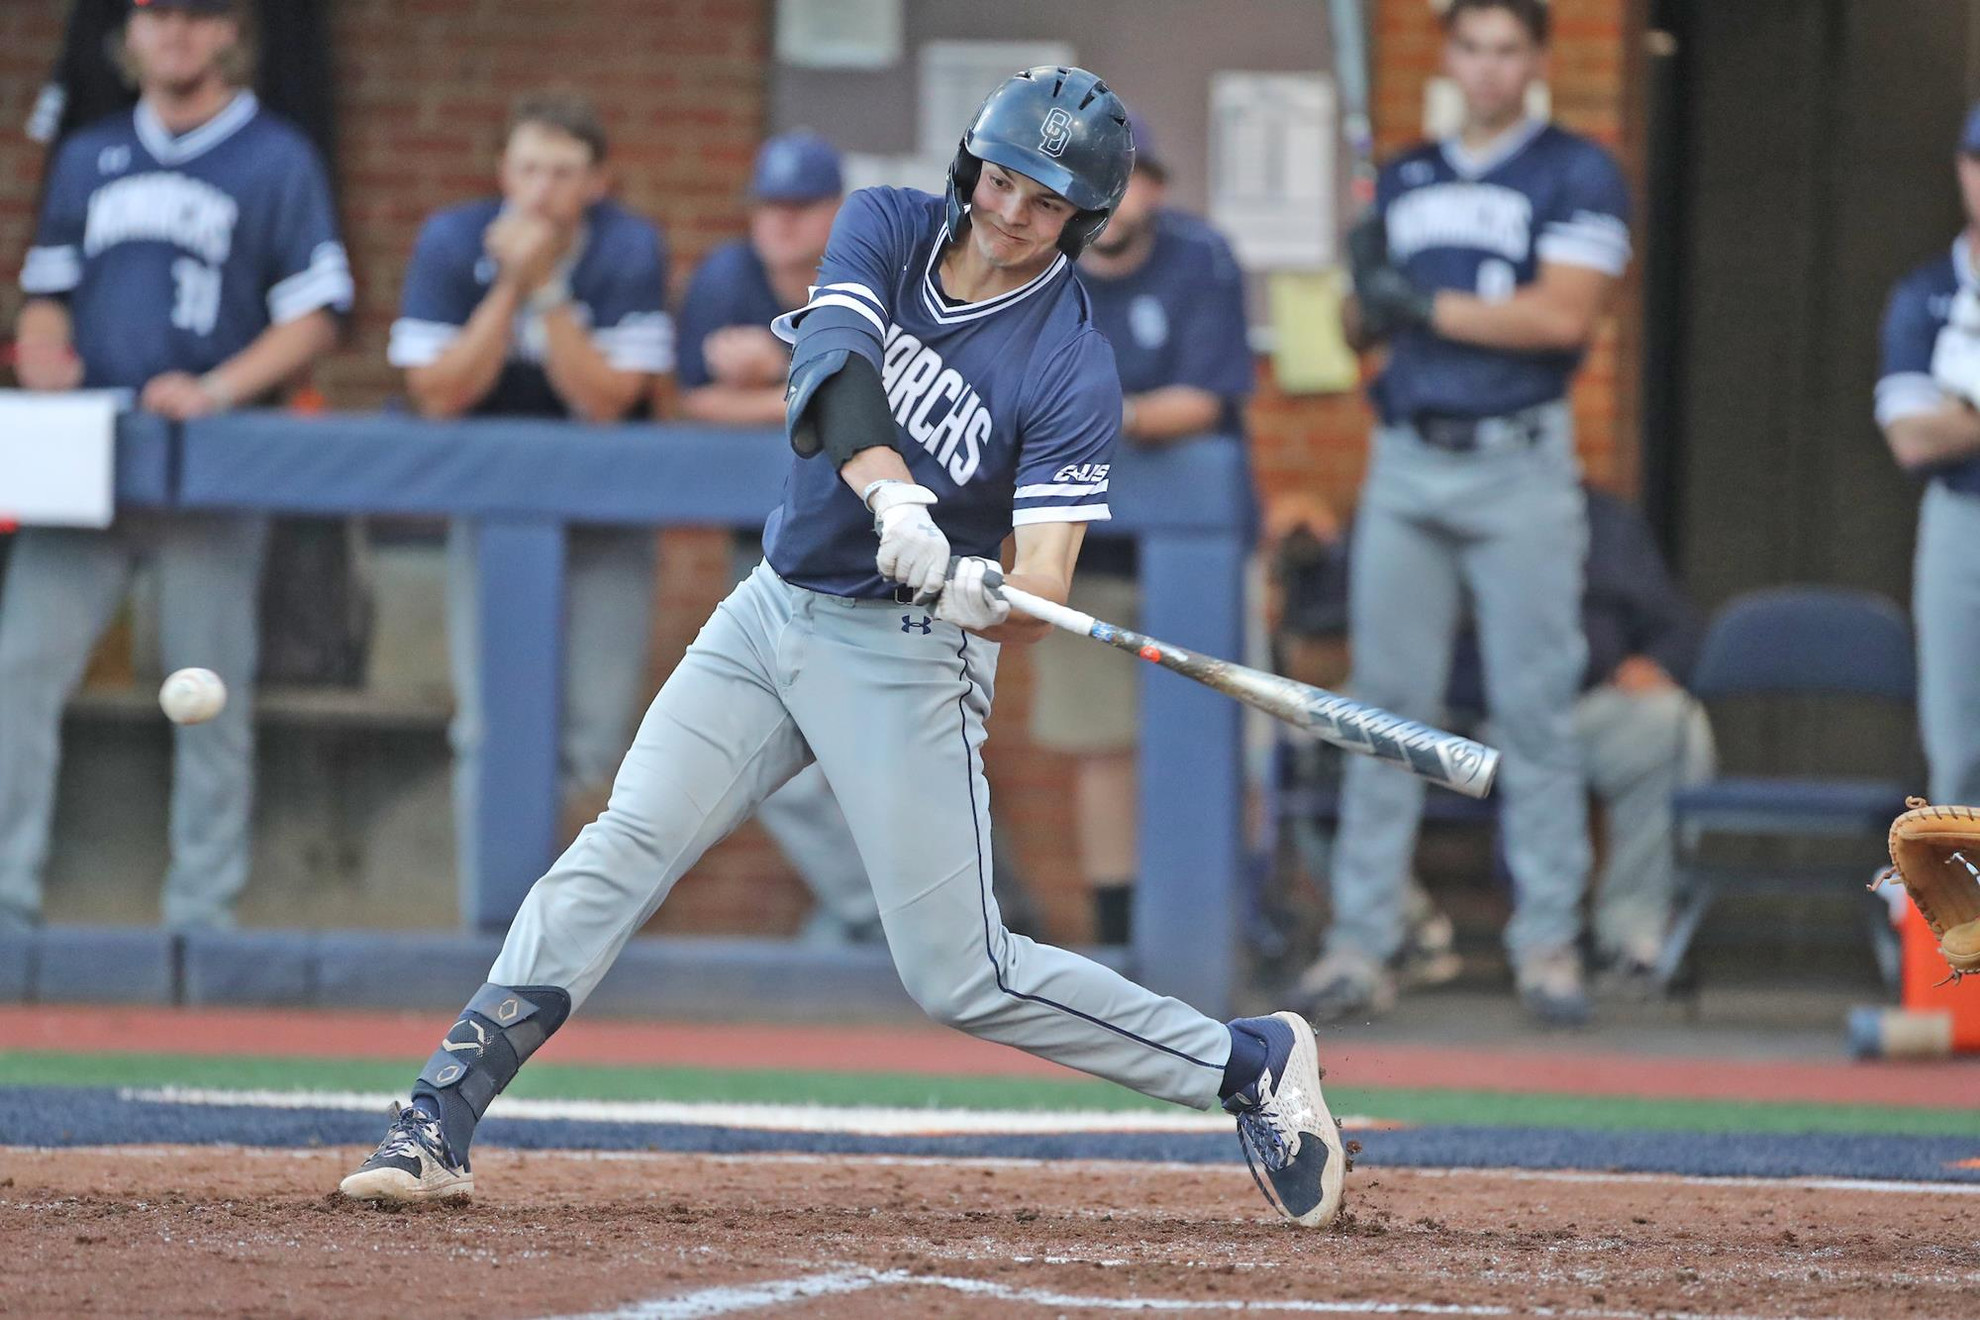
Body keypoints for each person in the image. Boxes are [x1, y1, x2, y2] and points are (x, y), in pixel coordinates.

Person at [338, 66, 1346, 1229]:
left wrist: (992, 597)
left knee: (958, 974)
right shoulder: (890, 225)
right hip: (772, 610)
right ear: (973, 167)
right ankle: (438, 1119)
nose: (1015, 213)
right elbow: (830, 369)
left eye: (1048, 199)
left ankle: (1246, 1065)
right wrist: (894, 497)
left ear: (1090, 215)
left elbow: (1047, 572)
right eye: (1005, 181)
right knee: (624, 843)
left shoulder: (1072, 358)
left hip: (910, 657)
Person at [1301, 0, 1632, 1026]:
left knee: (1534, 708)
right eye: (1471, 48)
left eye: (1506, 50)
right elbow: (1361, 331)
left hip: (1520, 465)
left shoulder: (1577, 170)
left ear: (1535, 61)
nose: (1487, 69)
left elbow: (1562, 313)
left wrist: (1425, 305)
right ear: (1449, 57)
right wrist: (1360, 285)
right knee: (1381, 709)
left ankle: (1548, 948)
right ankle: (1361, 943)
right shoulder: (1405, 177)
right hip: (1407, 462)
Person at [0, 0, 350, 932]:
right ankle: (6, 900)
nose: (178, 32)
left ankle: (201, 915)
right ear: (132, 32)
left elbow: (317, 314)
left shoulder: (276, 156)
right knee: (18, 671)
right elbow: (46, 295)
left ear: (230, 33)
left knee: (208, 694)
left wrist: (221, 388)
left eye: (200, 15)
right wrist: (41, 351)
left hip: (211, 466)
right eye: (160, 13)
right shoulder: (88, 153)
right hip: (88, 465)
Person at [386, 94, 673, 890]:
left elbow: (609, 401)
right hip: (493, 514)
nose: (542, 190)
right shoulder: (453, 237)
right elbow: (436, 395)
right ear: (503, 172)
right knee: (487, 729)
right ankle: (497, 927)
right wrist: (510, 286)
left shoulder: (627, 245)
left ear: (598, 182)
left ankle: (564, 922)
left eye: (563, 173)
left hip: (606, 515)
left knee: (594, 740)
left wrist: (547, 288)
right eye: (528, 170)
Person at [1040, 112, 1254, 944]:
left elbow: (1201, 403)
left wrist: (1101, 413)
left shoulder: (1198, 258)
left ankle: (1223, 929)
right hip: (1083, 540)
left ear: (1155, 190)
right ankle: (1118, 935)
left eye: (1127, 180)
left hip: (1200, 548)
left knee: (1218, 742)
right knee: (1102, 745)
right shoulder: (1042, 268)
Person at [1876, 102, 1980, 809]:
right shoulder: (1927, 292)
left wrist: (1965, 413)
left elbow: (1941, 424)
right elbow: (1912, 438)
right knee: (1960, 751)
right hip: (1962, 516)